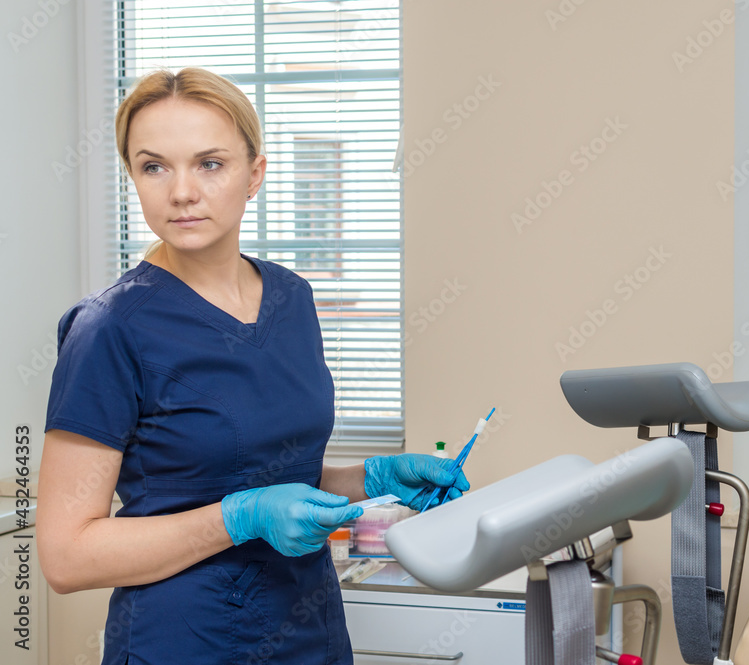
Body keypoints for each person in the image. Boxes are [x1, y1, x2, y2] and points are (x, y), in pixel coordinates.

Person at [37, 67, 467, 665]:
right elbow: (66, 555)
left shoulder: (292, 298)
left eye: (210, 163)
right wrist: (238, 520)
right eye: (153, 166)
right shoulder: (110, 328)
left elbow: (263, 474)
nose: (181, 191)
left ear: (254, 174)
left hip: (309, 627)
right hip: (185, 641)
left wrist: (370, 479)